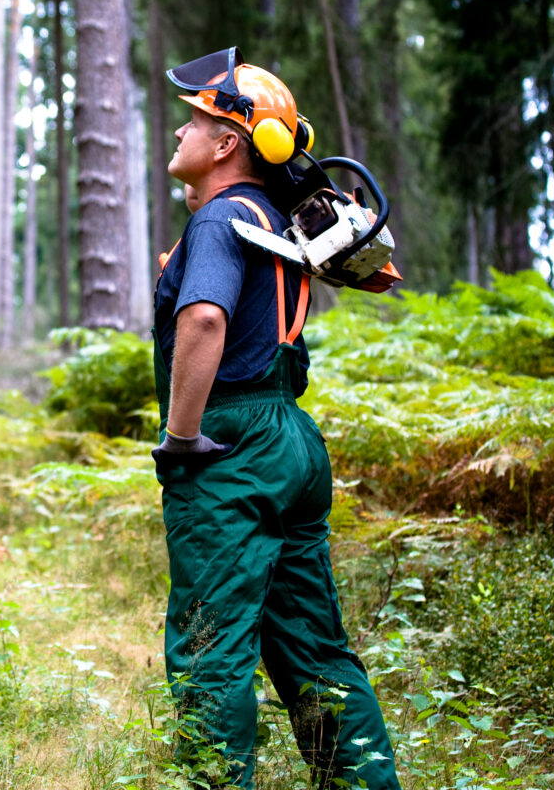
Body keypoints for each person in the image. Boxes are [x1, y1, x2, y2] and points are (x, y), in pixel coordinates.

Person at [151, 48, 403, 789]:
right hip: (290, 440)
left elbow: (203, 322)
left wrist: (181, 436)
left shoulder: (224, 219)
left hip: (230, 445)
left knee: (211, 648)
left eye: (193, 120)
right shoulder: (271, 220)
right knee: (315, 648)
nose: (179, 132)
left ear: (228, 144)